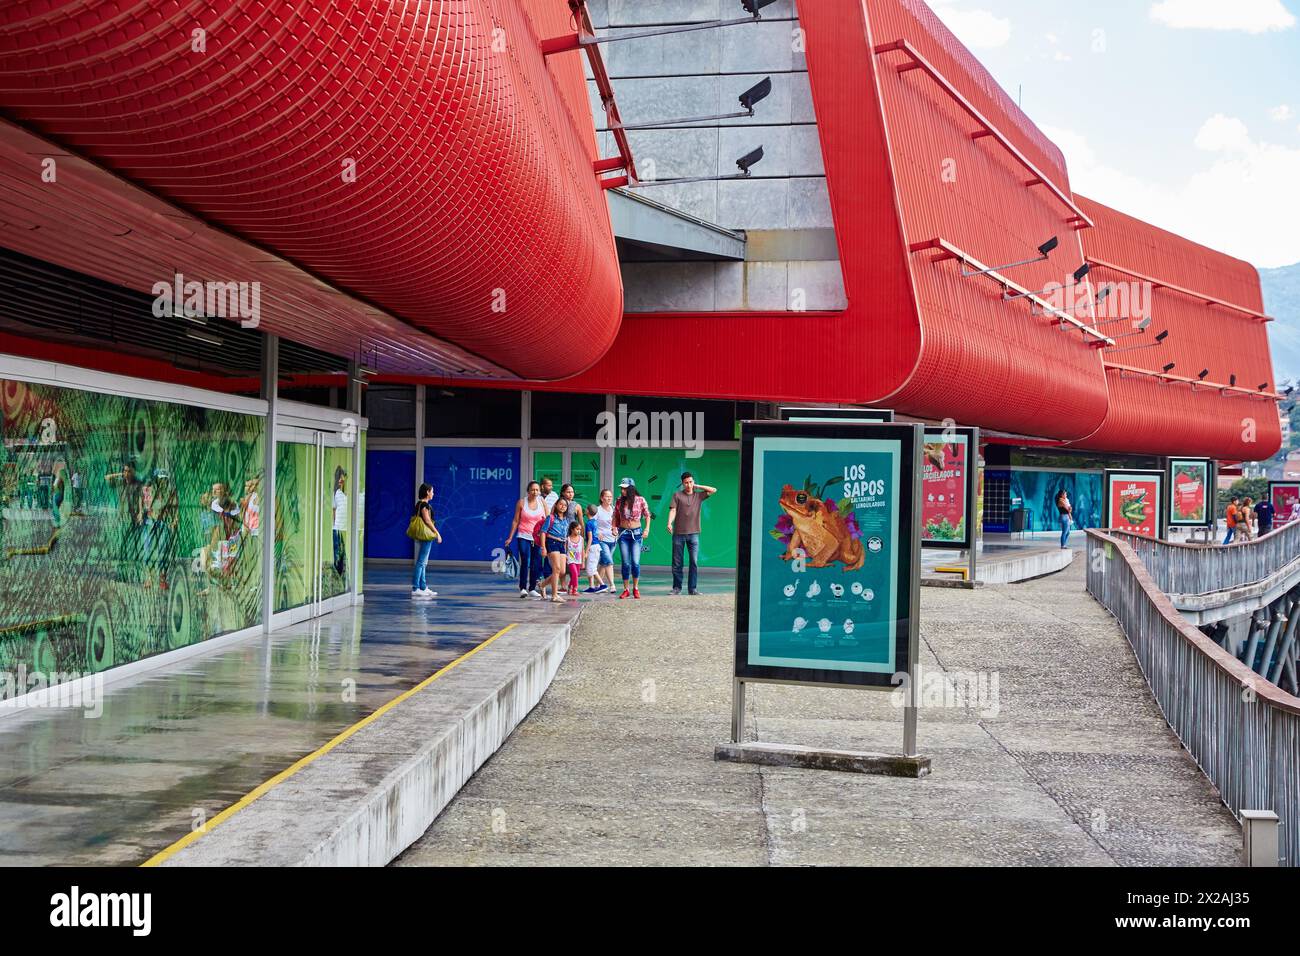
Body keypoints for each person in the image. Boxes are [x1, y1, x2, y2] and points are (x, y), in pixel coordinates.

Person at [668, 471, 716, 595]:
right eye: (686, 483)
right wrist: (669, 523)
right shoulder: (677, 495)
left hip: (694, 534)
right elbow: (673, 510)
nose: (689, 485)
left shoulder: (699, 496)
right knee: (677, 562)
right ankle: (676, 588)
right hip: (678, 534)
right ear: (682, 484)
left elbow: (713, 490)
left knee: (694, 562)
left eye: (690, 482)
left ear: (693, 482)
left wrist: (698, 486)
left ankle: (692, 589)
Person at [504, 480, 546, 598]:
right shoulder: (522, 503)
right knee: (525, 560)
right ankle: (523, 588)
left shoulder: (542, 502)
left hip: (537, 537)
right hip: (523, 535)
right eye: (532, 489)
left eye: (537, 490)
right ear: (528, 491)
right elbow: (516, 520)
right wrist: (510, 537)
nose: (535, 492)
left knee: (536, 562)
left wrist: (546, 536)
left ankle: (532, 588)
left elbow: (548, 518)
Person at [614, 477, 651, 599]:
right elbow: (615, 516)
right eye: (621, 488)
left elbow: (647, 515)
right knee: (625, 562)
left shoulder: (640, 500)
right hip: (623, 533)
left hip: (636, 533)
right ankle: (626, 589)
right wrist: (613, 527)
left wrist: (646, 529)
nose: (622, 490)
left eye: (624, 488)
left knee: (635, 562)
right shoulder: (619, 500)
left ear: (631, 489)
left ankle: (635, 588)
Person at [539, 497, 573, 603]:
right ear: (556, 505)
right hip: (552, 542)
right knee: (556, 569)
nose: (563, 506)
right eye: (561, 504)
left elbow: (567, 535)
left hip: (562, 544)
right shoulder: (551, 517)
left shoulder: (567, 520)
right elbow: (543, 532)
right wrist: (543, 547)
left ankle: (542, 584)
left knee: (562, 571)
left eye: (565, 505)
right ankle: (554, 595)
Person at [411, 482, 440, 599]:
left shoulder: (419, 504)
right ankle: (416, 588)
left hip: (424, 535)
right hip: (426, 535)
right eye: (432, 491)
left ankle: (422, 587)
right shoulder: (424, 505)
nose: (433, 493)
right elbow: (428, 521)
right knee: (421, 562)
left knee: (423, 562)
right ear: (427, 492)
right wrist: (437, 533)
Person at [593, 488, 618, 592]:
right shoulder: (598, 510)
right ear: (602, 498)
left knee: (604, 563)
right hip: (602, 540)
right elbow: (592, 523)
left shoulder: (614, 509)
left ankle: (598, 585)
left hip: (613, 540)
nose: (609, 498)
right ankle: (612, 585)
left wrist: (616, 529)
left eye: (611, 496)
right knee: (608, 561)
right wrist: (597, 533)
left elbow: (617, 523)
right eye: (607, 496)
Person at [581, 504, 606, 593]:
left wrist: (586, 551)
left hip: (592, 547)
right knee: (590, 567)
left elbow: (590, 538)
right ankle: (591, 586)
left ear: (587, 511)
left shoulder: (589, 523)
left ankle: (602, 585)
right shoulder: (594, 521)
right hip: (596, 547)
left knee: (592, 568)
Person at [331, 467, 348, 578]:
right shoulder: (336, 493)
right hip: (337, 526)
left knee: (341, 549)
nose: (342, 481)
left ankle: (340, 572)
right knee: (338, 550)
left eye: (343, 479)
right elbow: (334, 510)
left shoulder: (342, 493)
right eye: (340, 479)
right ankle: (338, 571)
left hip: (342, 527)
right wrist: (335, 524)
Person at [565, 520, 585, 595]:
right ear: (572, 529)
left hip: (578, 560)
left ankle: (570, 586)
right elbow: (565, 550)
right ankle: (575, 589)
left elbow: (583, 550)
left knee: (575, 575)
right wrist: (565, 558)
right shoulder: (568, 539)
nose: (579, 531)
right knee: (575, 574)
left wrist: (583, 562)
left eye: (580, 529)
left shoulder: (581, 539)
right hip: (570, 559)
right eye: (577, 529)